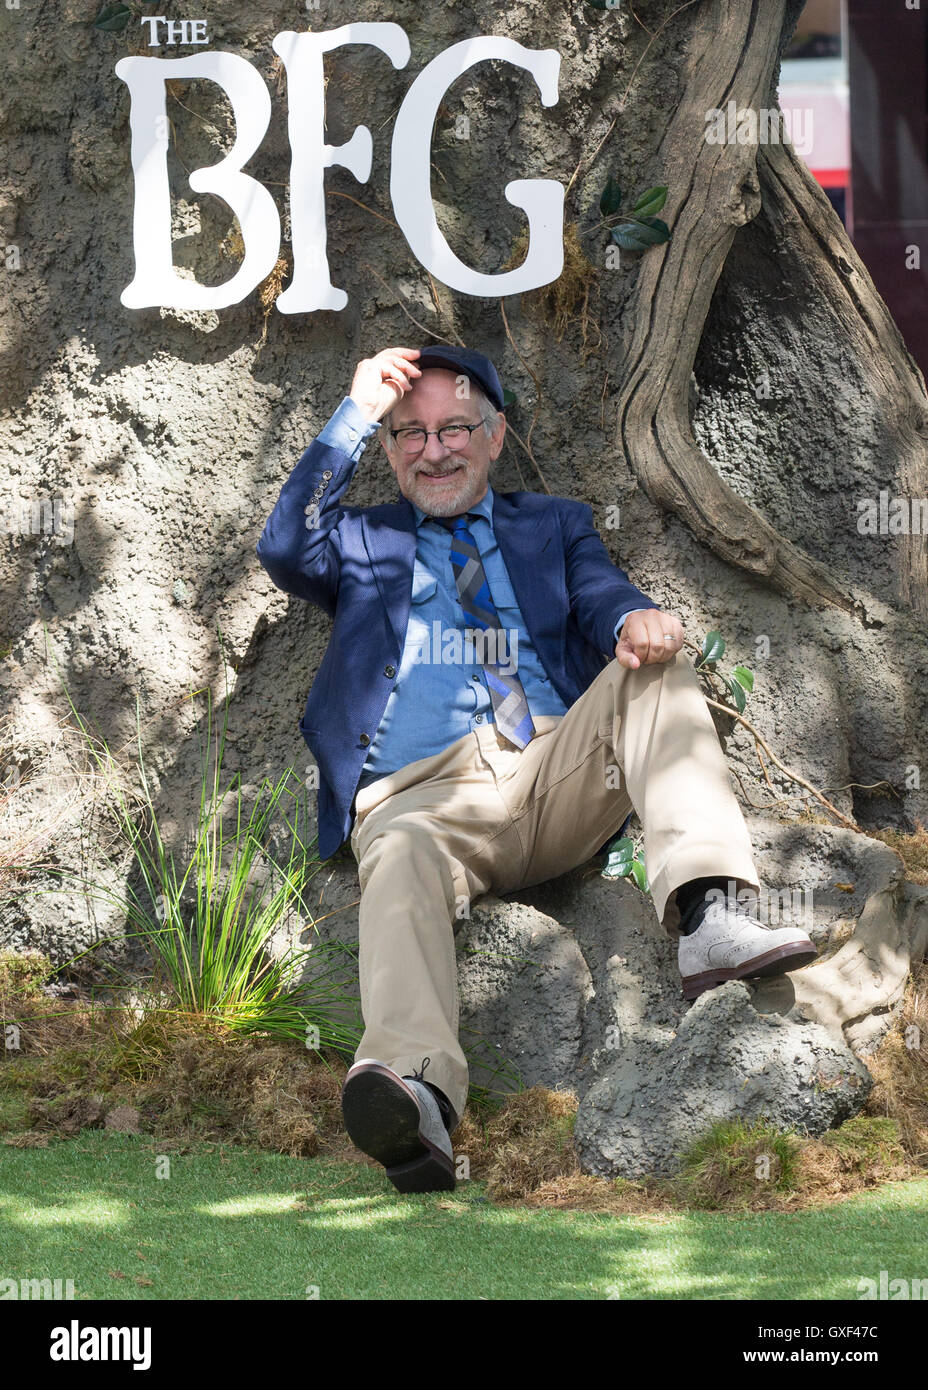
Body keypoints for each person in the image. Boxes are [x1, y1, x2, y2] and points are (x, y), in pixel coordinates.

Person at [256, 344, 817, 1194]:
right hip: (420, 800)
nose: (433, 449)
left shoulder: (552, 523)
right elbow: (284, 545)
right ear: (390, 446)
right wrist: (357, 411)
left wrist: (636, 617)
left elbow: (601, 595)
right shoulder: (365, 536)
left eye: (453, 429)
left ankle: (709, 915)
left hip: (550, 766)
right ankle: (418, 1100)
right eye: (410, 434)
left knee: (657, 660)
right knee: (399, 858)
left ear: (494, 434)